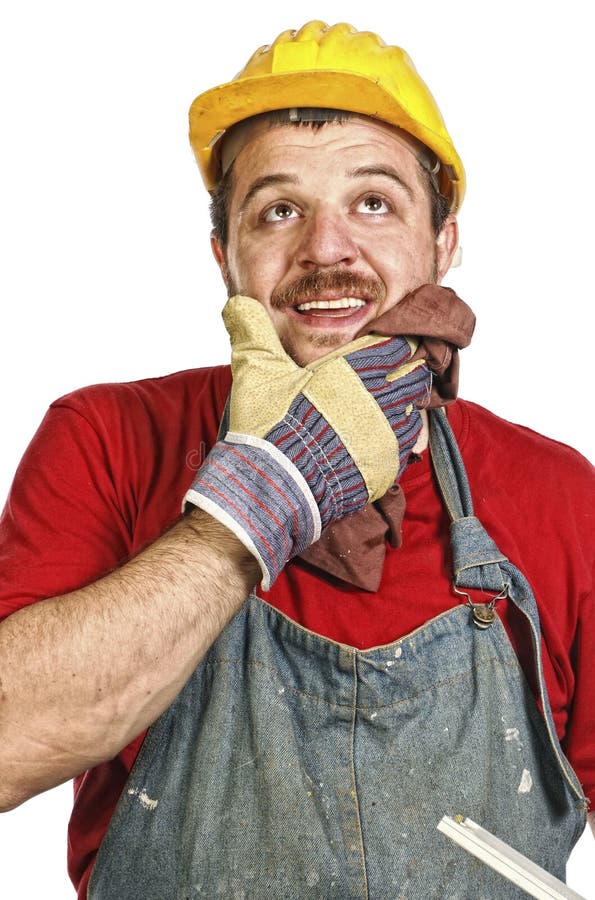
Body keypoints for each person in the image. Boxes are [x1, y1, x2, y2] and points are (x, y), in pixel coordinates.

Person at [0, 19, 593, 898]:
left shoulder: (558, 495)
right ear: (224, 256)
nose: (325, 250)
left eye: (373, 203)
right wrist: (254, 504)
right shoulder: (112, 439)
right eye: (279, 209)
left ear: (443, 243)